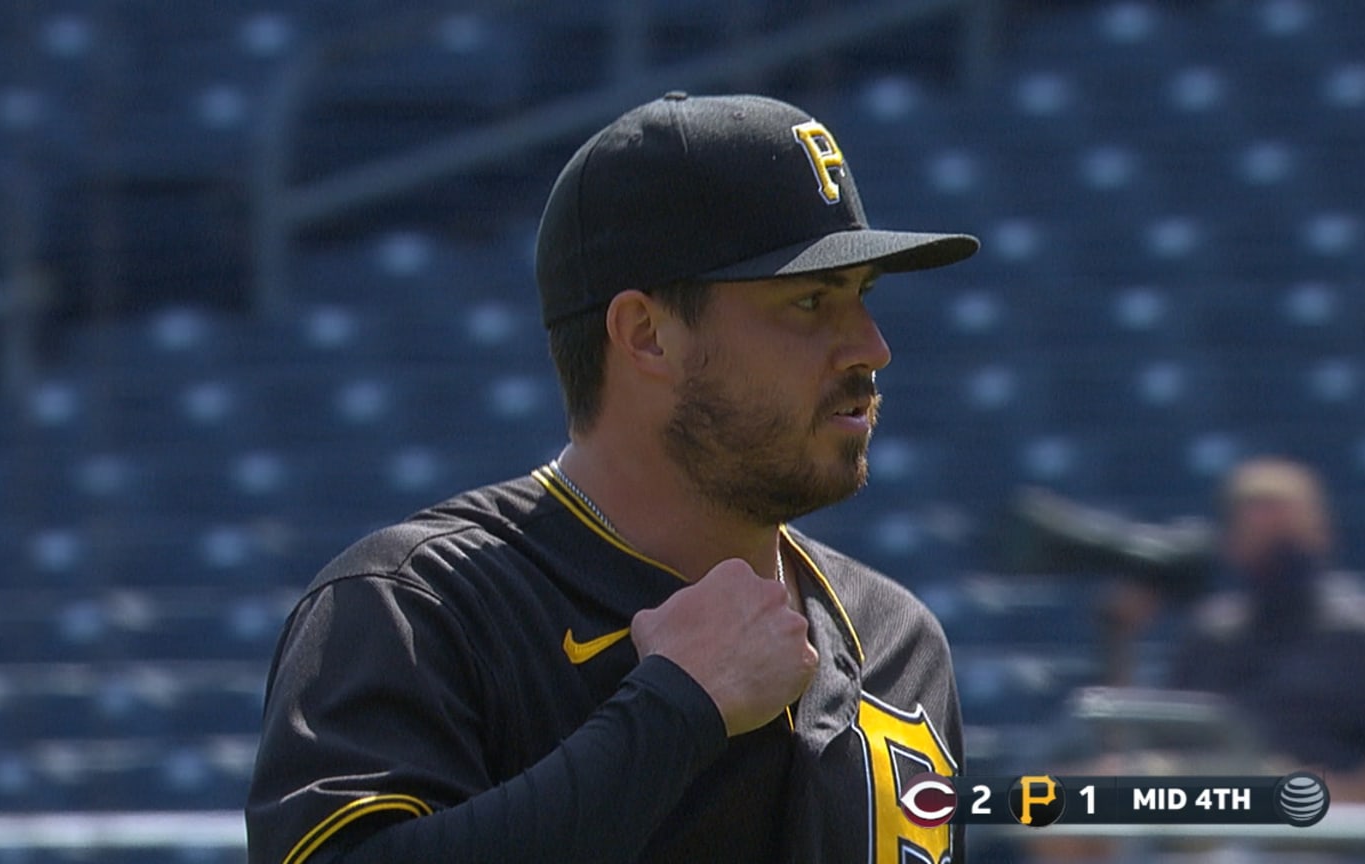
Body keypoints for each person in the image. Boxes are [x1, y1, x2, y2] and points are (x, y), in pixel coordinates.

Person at [246, 92, 980, 864]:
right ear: (646, 336)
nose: (871, 347)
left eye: (863, 296)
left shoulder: (900, 644)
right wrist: (672, 713)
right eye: (808, 301)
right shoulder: (416, 608)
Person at [1169, 458, 1365, 800]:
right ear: (1231, 542)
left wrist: (1354, 797)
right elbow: (1161, 741)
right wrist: (1120, 632)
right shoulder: (1211, 635)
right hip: (1214, 808)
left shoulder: (1358, 634)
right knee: (1097, 795)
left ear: (1322, 533)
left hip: (1304, 823)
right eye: (1257, 516)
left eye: (1285, 519)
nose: (1272, 531)